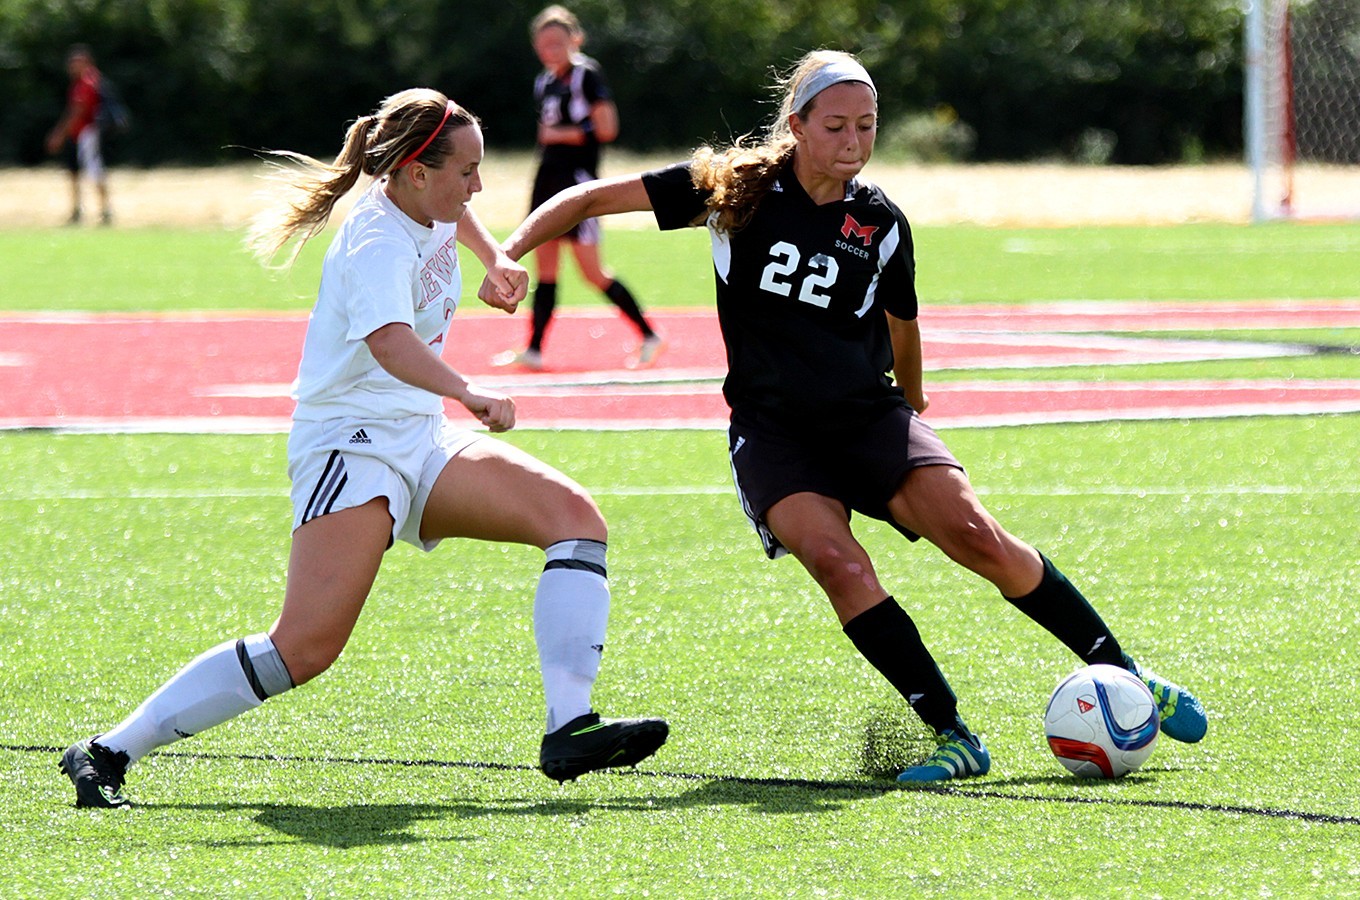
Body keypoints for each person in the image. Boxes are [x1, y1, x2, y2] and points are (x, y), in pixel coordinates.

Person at [485, 50, 1207, 783]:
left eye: (867, 126)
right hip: (773, 432)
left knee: (975, 535)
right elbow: (580, 201)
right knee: (838, 563)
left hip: (868, 416)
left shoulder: (880, 219)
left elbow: (903, 323)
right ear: (796, 125)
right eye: (835, 126)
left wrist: (915, 401)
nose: (854, 142)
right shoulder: (731, 191)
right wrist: (507, 253)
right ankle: (954, 735)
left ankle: (1124, 671)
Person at [58, 88, 668, 809]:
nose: (478, 185)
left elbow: (459, 215)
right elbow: (390, 344)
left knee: (574, 519)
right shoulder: (376, 239)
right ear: (415, 171)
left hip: (419, 436)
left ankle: (569, 729)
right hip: (351, 447)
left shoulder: (430, 199)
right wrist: (470, 392)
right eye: (465, 171)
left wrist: (494, 255)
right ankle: (105, 750)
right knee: (304, 649)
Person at [492, 5, 663, 371]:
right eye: (543, 44)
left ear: (575, 39)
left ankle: (650, 336)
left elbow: (606, 128)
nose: (549, 50)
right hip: (547, 179)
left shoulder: (586, 75)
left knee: (592, 272)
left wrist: (562, 134)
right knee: (546, 267)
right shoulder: (545, 81)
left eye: (557, 42)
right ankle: (535, 349)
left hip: (578, 181)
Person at [45, 44, 113, 226]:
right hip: (77, 134)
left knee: (94, 170)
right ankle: (77, 210)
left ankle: (105, 211)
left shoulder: (87, 82)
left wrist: (58, 134)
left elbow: (77, 111)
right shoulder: (83, 81)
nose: (73, 66)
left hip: (87, 133)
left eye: (78, 62)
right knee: (74, 172)